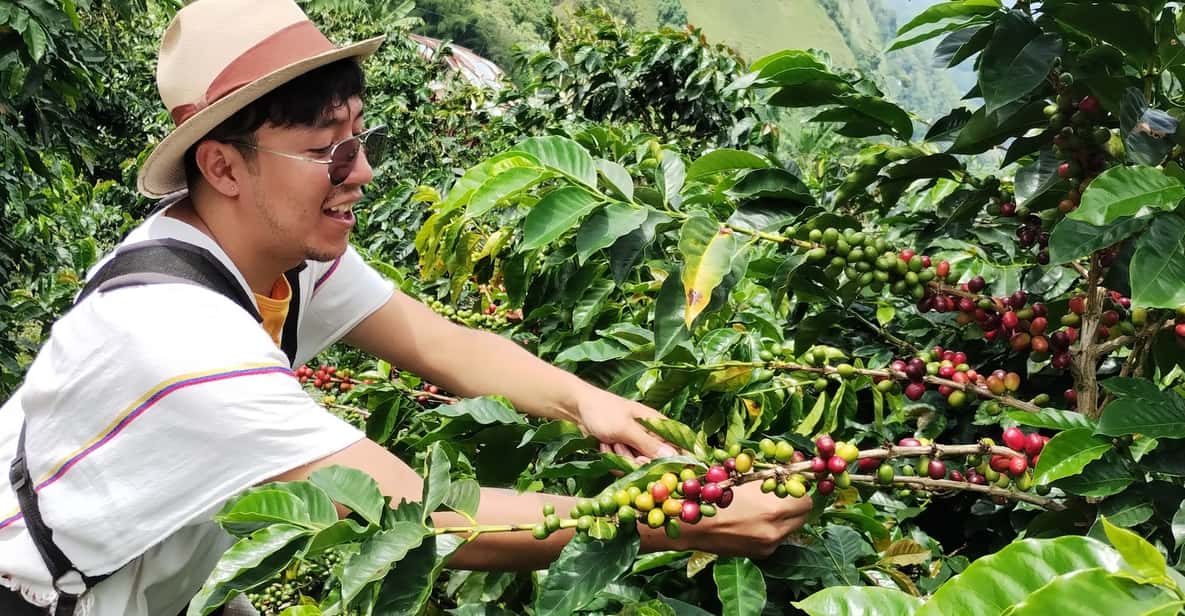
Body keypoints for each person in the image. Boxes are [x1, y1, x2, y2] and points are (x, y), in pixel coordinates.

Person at [0, 0, 812, 614]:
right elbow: (416, 515)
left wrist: (592, 404)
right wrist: (675, 521)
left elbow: (443, 342)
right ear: (223, 166)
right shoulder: (178, 339)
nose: (361, 173)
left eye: (363, 140)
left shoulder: (280, 257)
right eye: (329, 152)